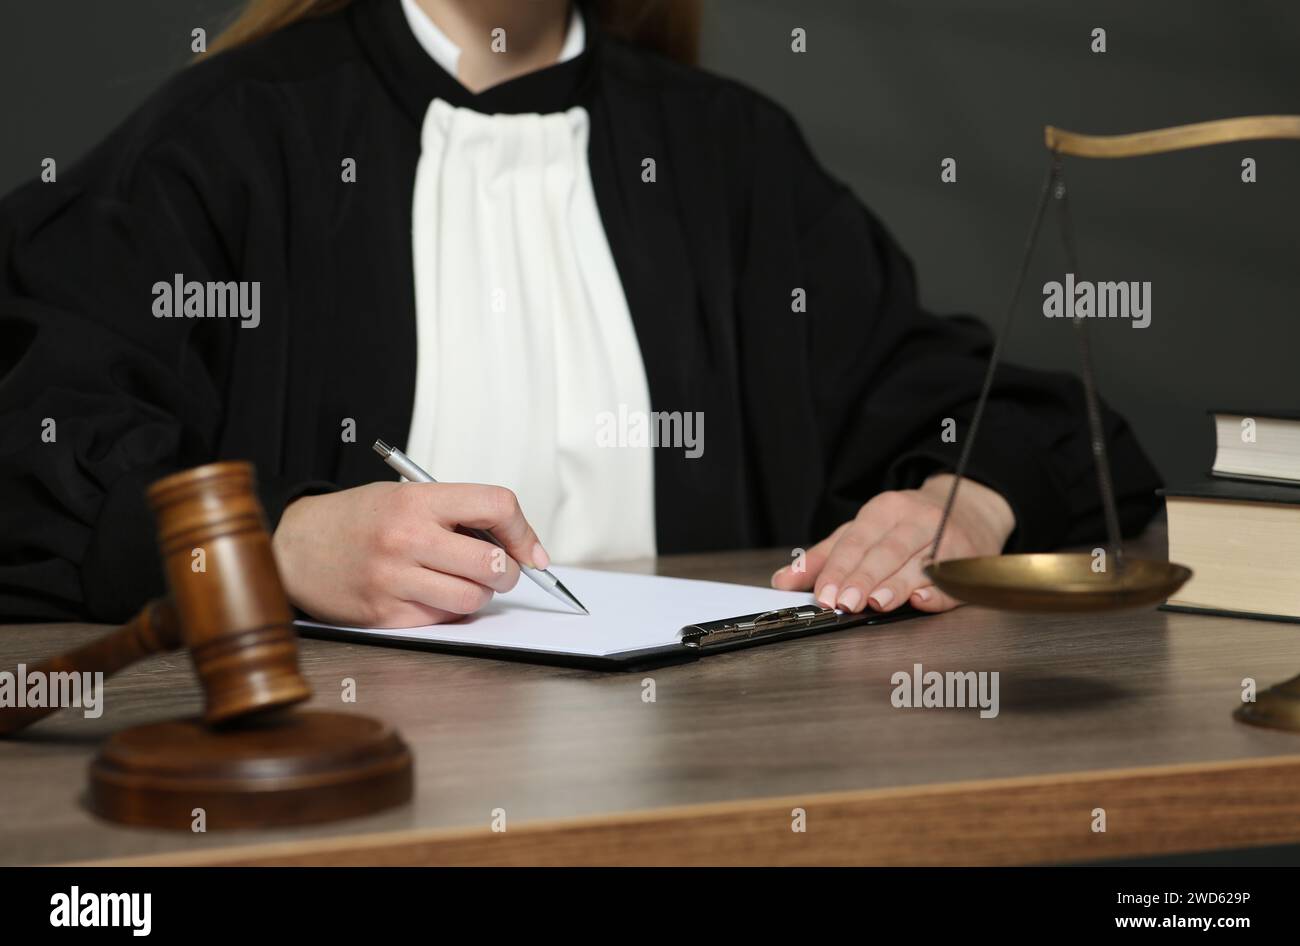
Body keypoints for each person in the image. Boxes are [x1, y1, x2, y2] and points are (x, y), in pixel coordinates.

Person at [0, 0, 1161, 626]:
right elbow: (37, 434)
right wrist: (273, 541)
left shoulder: (728, 155)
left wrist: (959, 499)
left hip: (704, 798)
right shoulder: (228, 139)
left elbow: (1001, 408)